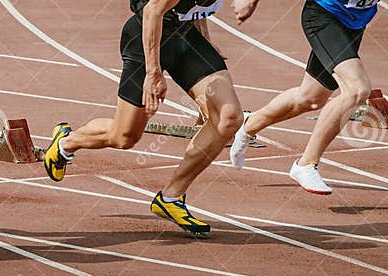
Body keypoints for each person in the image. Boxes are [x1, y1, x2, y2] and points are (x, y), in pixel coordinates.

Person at [42, 0, 259, 238]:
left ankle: (171, 197)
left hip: (186, 38)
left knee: (228, 119)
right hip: (146, 36)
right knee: (124, 136)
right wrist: (153, 73)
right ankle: (66, 142)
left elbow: (195, 7)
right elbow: (152, 10)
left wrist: (205, 39)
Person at [229, 0, 377, 195]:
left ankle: (248, 124)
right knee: (357, 89)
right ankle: (306, 164)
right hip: (323, 15)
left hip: (353, 21)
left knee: (311, 98)